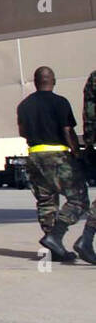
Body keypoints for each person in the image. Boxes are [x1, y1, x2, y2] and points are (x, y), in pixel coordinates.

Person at [17, 67, 95, 264]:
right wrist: (77, 153)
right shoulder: (60, 102)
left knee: (46, 202)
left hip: (34, 156)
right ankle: (56, 235)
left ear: (36, 82)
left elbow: (22, 132)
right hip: (57, 155)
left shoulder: (24, 105)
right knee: (78, 200)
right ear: (53, 81)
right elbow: (67, 130)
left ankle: (54, 247)